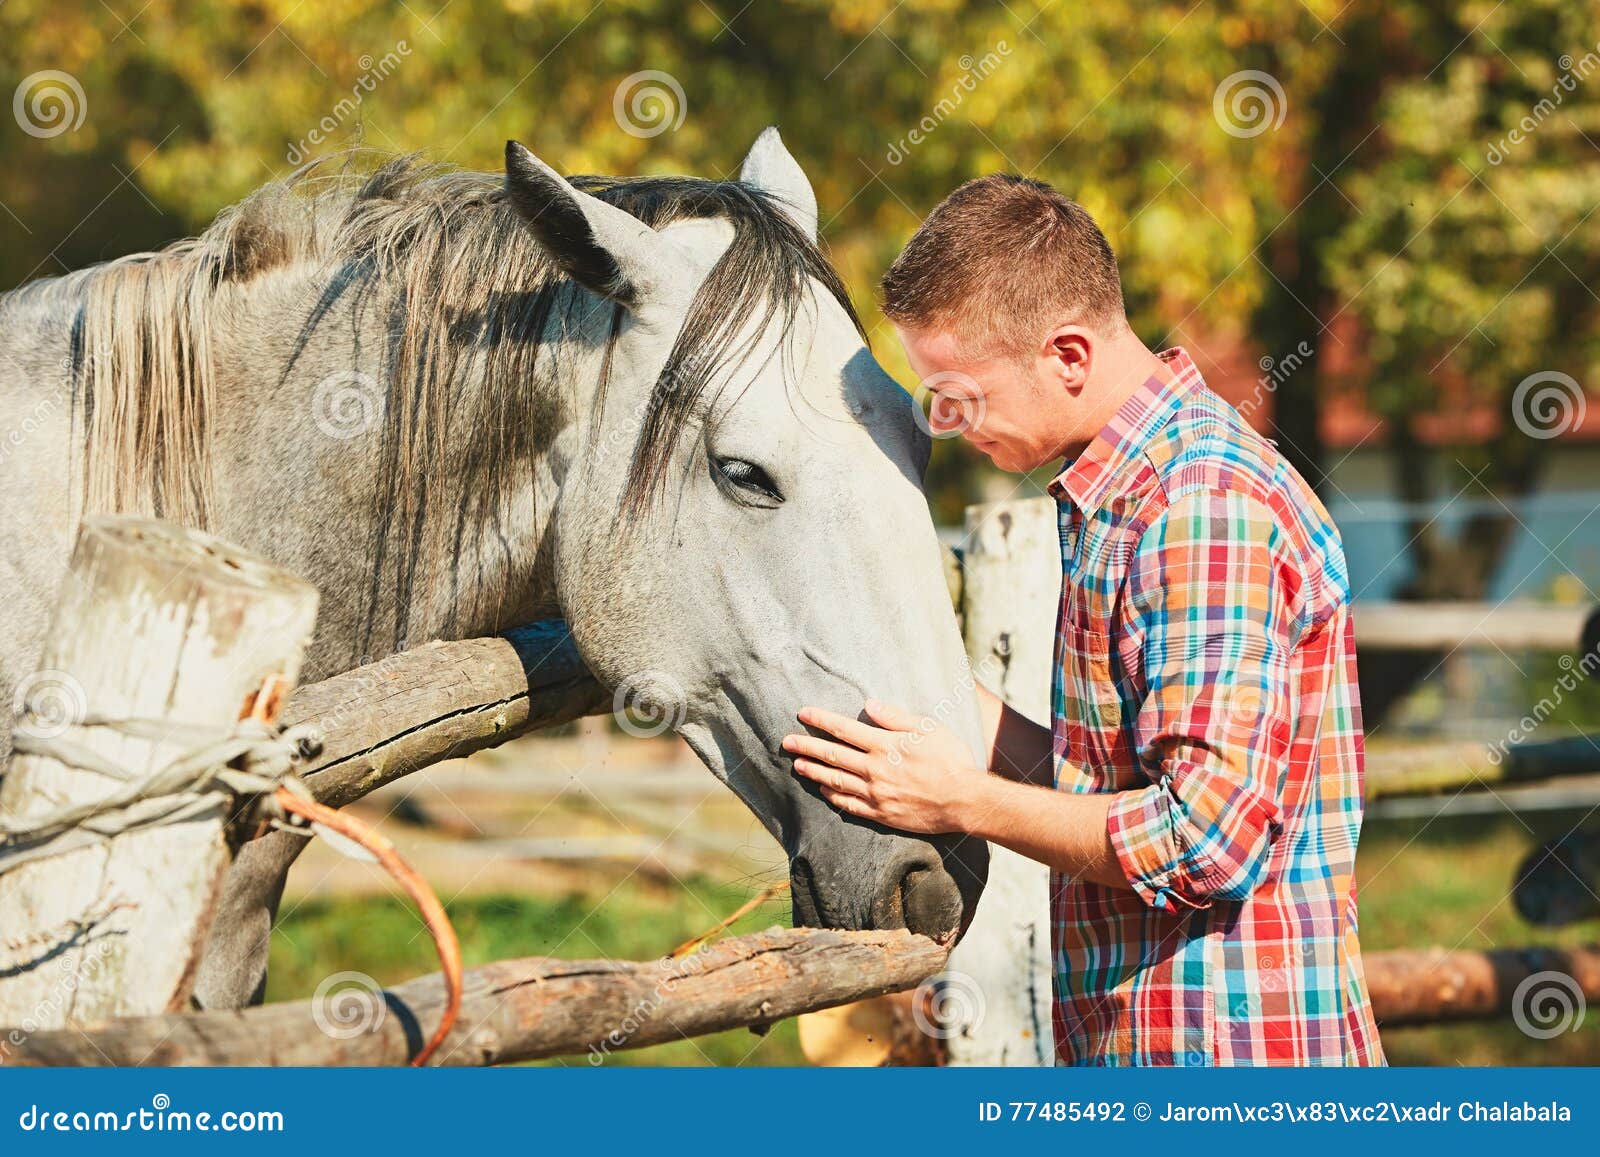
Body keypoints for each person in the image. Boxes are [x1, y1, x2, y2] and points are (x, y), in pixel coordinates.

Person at [782, 173, 1385, 1066]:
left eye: (958, 392)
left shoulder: (1198, 504)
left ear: (1067, 355)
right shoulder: (1128, 495)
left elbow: (1204, 839)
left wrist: (962, 798)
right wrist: (951, 706)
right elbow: (1108, 782)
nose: (939, 421)